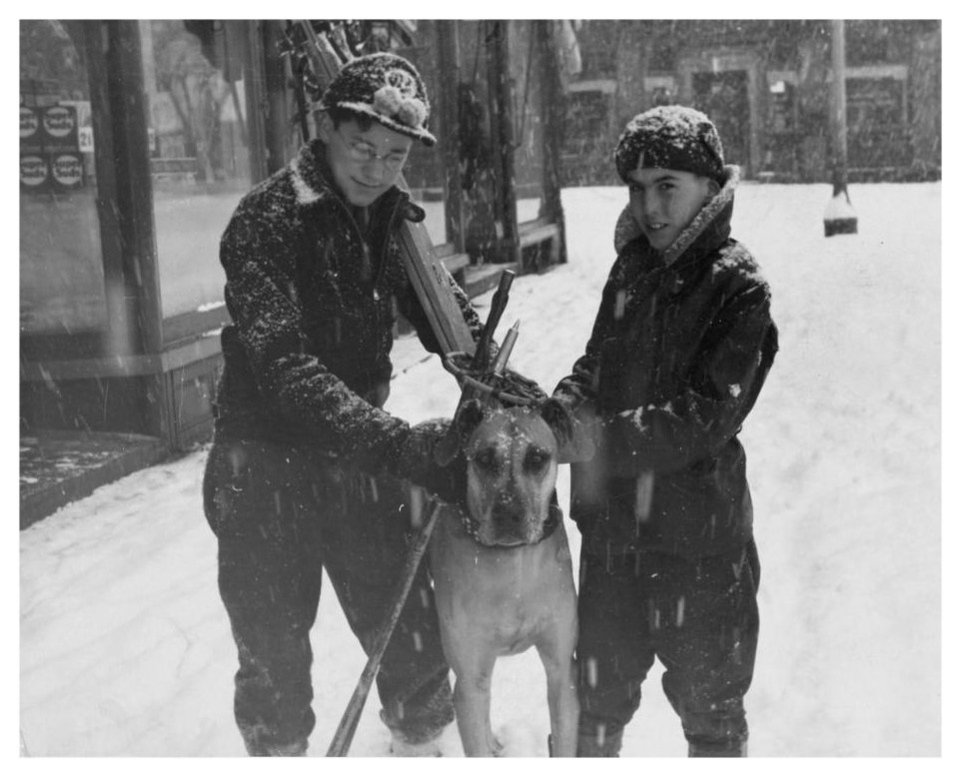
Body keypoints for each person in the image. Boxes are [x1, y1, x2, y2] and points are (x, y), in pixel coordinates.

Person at [202, 52, 484, 757]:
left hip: (355, 455)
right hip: (263, 459)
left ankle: (423, 750)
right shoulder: (266, 220)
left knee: (413, 641)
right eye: (363, 146)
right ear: (324, 127)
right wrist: (399, 446)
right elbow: (286, 371)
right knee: (273, 651)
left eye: (394, 155)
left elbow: (448, 318)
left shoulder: (391, 222)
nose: (376, 167)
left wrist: (500, 389)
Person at [552, 105, 778, 757]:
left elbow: (706, 416)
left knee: (711, 711)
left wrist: (596, 440)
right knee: (594, 705)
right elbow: (596, 361)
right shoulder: (632, 268)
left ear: (710, 187)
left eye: (667, 186)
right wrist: (564, 409)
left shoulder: (740, 288)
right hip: (614, 540)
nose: (650, 206)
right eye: (637, 188)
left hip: (699, 547)